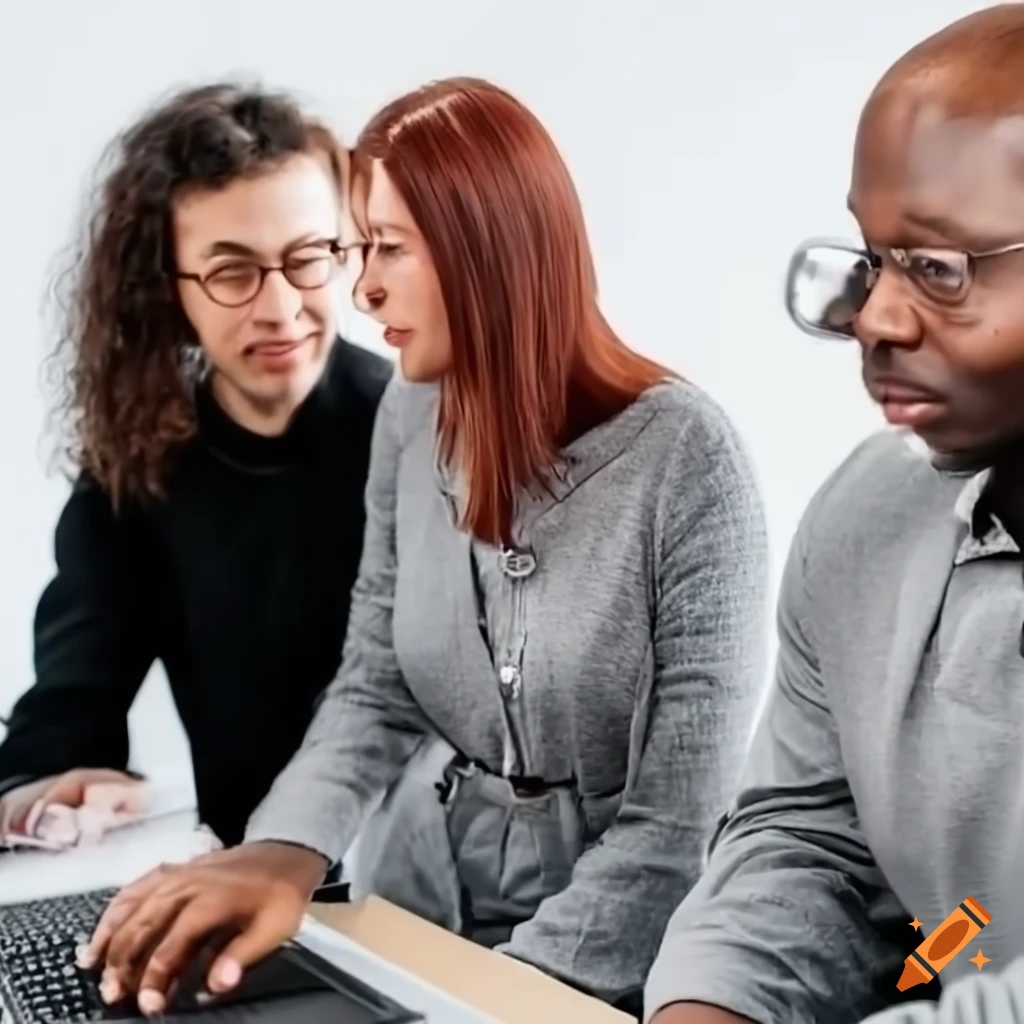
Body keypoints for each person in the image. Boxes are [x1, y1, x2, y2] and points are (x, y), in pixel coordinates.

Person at [77, 75, 770, 1018]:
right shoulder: (410, 412)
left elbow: (674, 828)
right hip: (415, 915)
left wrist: (485, 996)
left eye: (388, 250)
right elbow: (374, 680)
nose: (360, 288)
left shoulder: (690, 459)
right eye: (359, 248)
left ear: (488, 250)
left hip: (616, 960)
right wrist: (281, 853)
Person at [645, 7, 1024, 1024]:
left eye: (939, 269)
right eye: (872, 256)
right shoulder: (869, 511)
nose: (874, 318)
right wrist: (711, 1004)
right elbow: (815, 840)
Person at [0, 82, 391, 850]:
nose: (280, 309)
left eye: (308, 259)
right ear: (170, 293)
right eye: (233, 272)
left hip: (439, 897)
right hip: (250, 894)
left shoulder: (423, 434)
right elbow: (70, 708)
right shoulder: (140, 472)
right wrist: (49, 794)